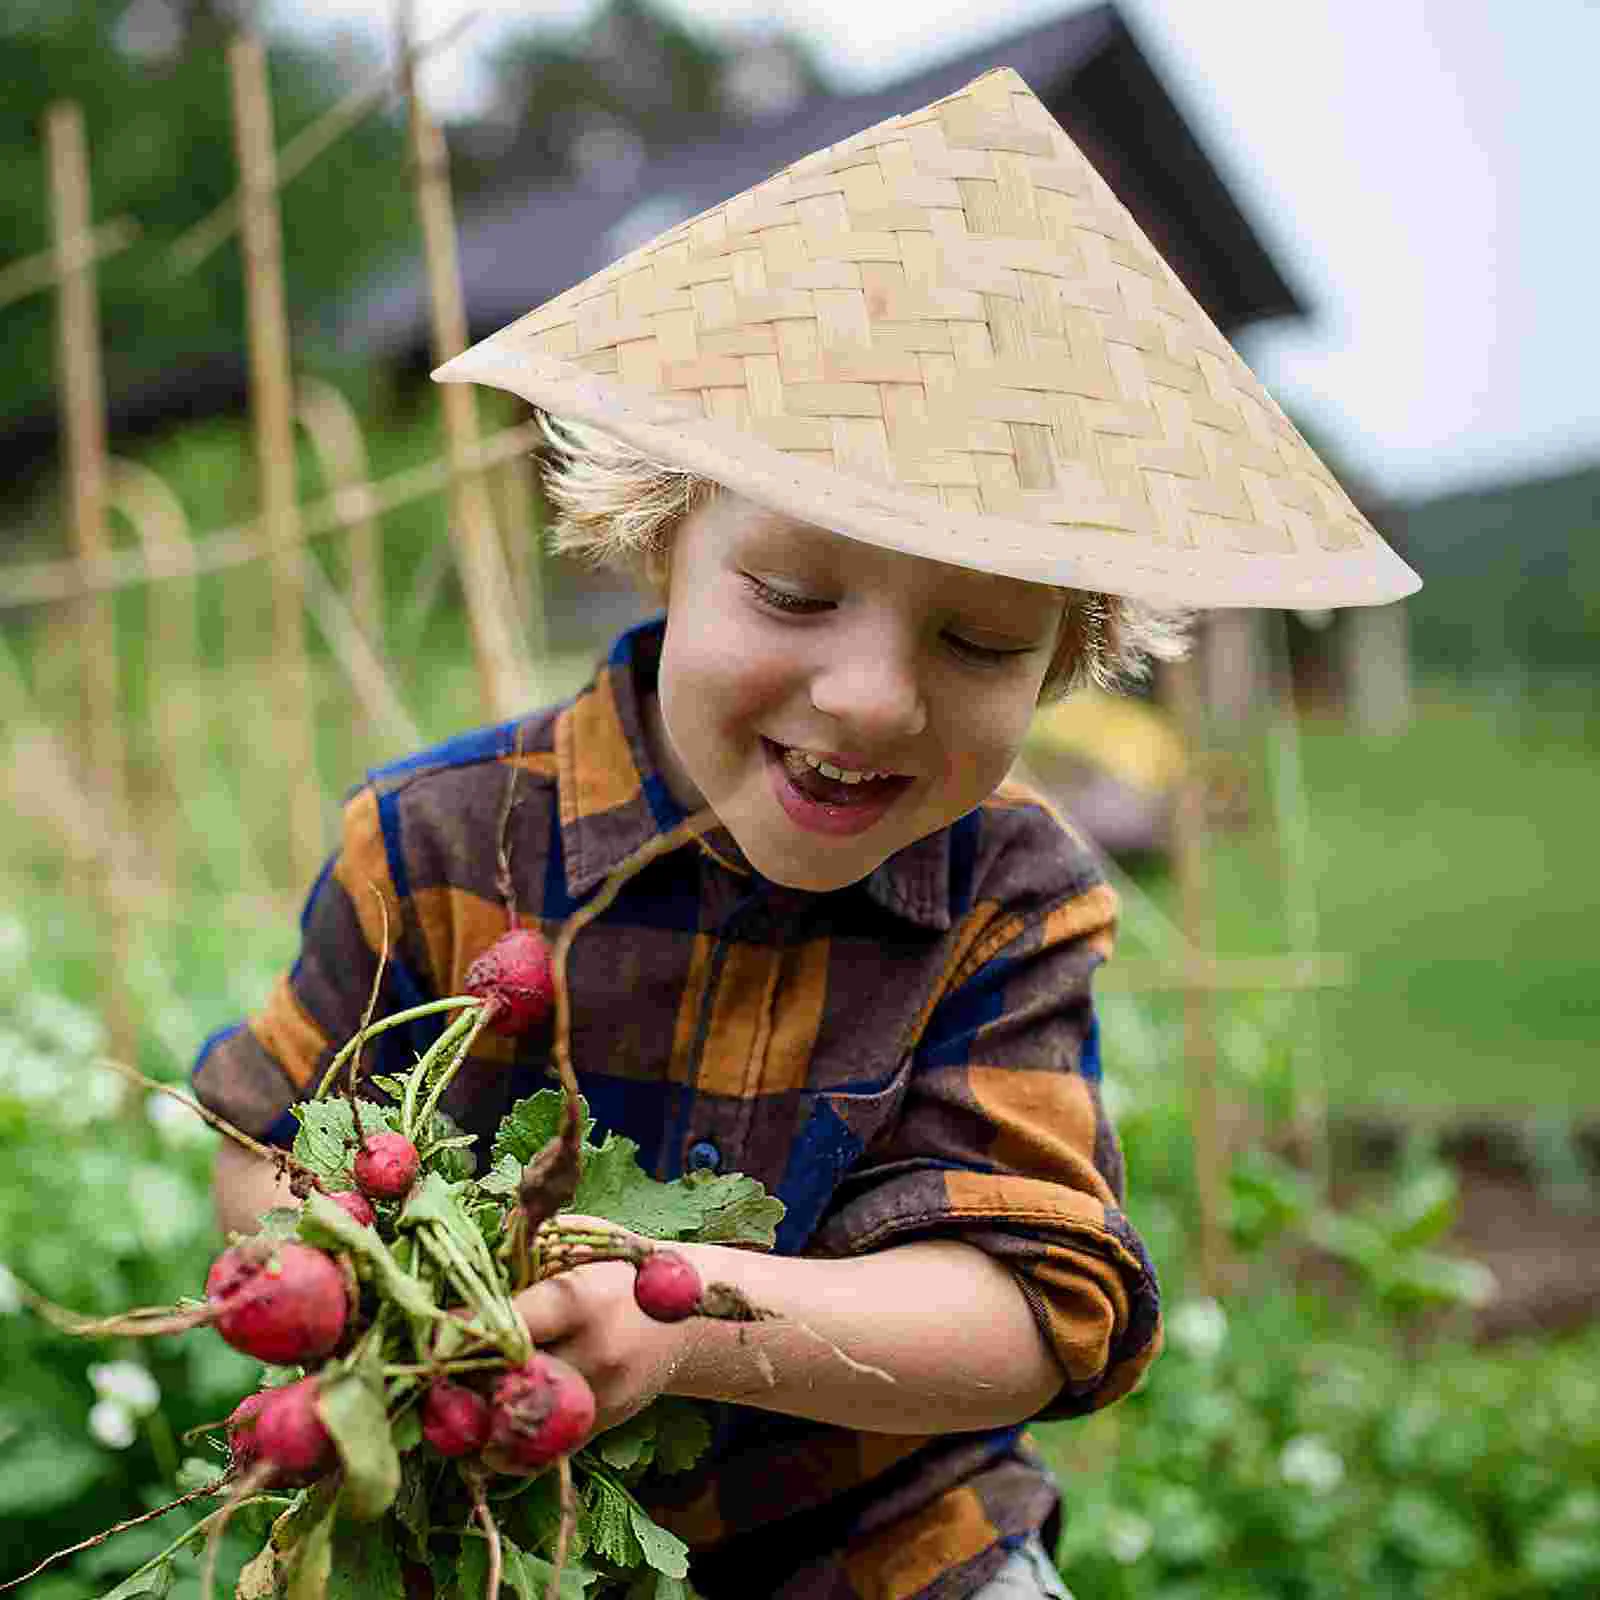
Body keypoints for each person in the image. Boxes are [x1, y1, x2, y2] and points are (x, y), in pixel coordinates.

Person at [195, 66, 1418, 1599]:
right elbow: (266, 1140)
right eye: (792, 595)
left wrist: (688, 1307)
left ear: (1069, 651)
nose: (871, 700)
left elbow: (1028, 1311)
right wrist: (360, 1284)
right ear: (661, 535)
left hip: (893, 1548)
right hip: (503, 1532)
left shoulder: (1010, 893)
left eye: (979, 645)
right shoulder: (438, 840)